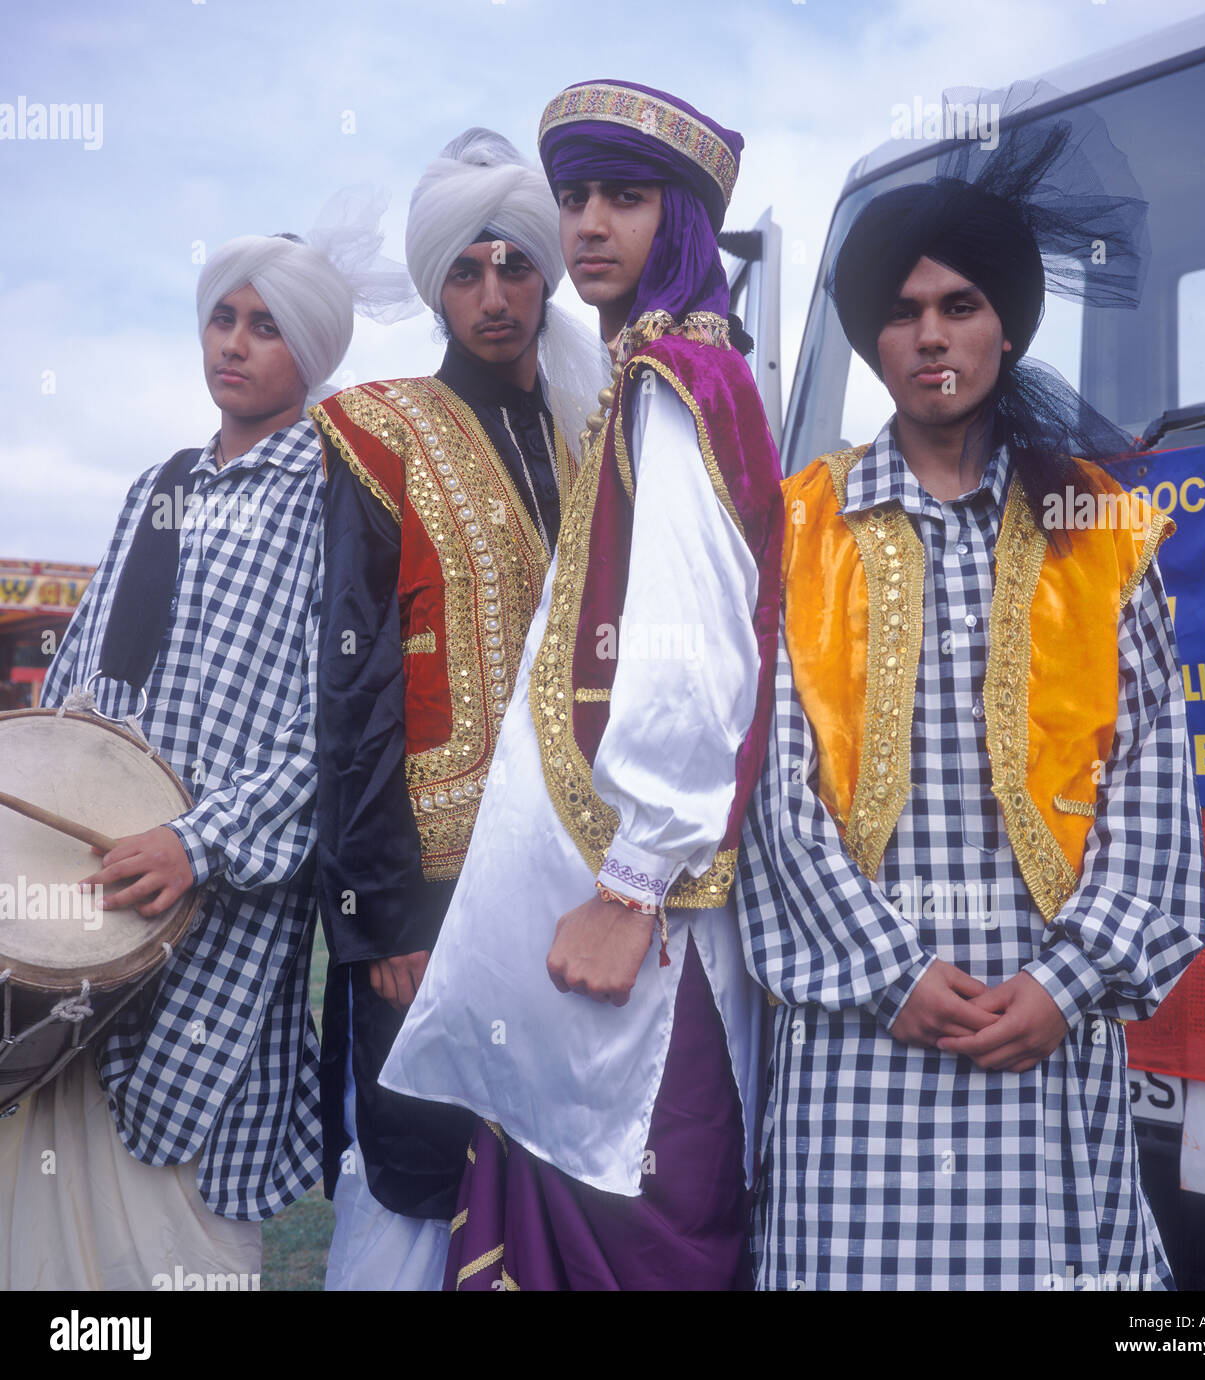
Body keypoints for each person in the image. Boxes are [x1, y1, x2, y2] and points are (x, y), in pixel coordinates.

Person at [737, 95, 1205, 1290]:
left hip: (1043, 1030)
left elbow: (1152, 783)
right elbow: (775, 790)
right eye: (898, 314)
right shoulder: (800, 530)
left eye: (960, 306)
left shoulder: (1094, 529)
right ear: (873, 341)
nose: (929, 335)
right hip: (863, 1035)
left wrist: (1063, 984)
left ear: (1007, 329)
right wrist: (890, 977)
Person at [380, 80, 785, 1290]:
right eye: (576, 198)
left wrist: (631, 883)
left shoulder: (676, 384)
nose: (592, 224)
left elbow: (692, 646)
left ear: (687, 224)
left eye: (626, 196)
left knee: (646, 1206)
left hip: (627, 918)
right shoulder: (658, 377)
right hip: (578, 903)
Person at [0, 192, 413, 1290]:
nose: (234, 343)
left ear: (313, 349)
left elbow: (340, 733)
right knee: (41, 1195)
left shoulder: (341, 497)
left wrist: (197, 842)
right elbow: (81, 685)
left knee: (176, 1223)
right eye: (223, 318)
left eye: (267, 325)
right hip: (85, 889)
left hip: (217, 913)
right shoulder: (159, 486)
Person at [311, 129, 607, 1291]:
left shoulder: (591, 440)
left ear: (546, 275)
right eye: (467, 271)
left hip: (563, 878)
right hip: (425, 888)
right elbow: (351, 684)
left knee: (549, 1156)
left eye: (517, 265)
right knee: (422, 1170)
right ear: (437, 285)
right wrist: (379, 921)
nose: (495, 295)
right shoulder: (379, 432)